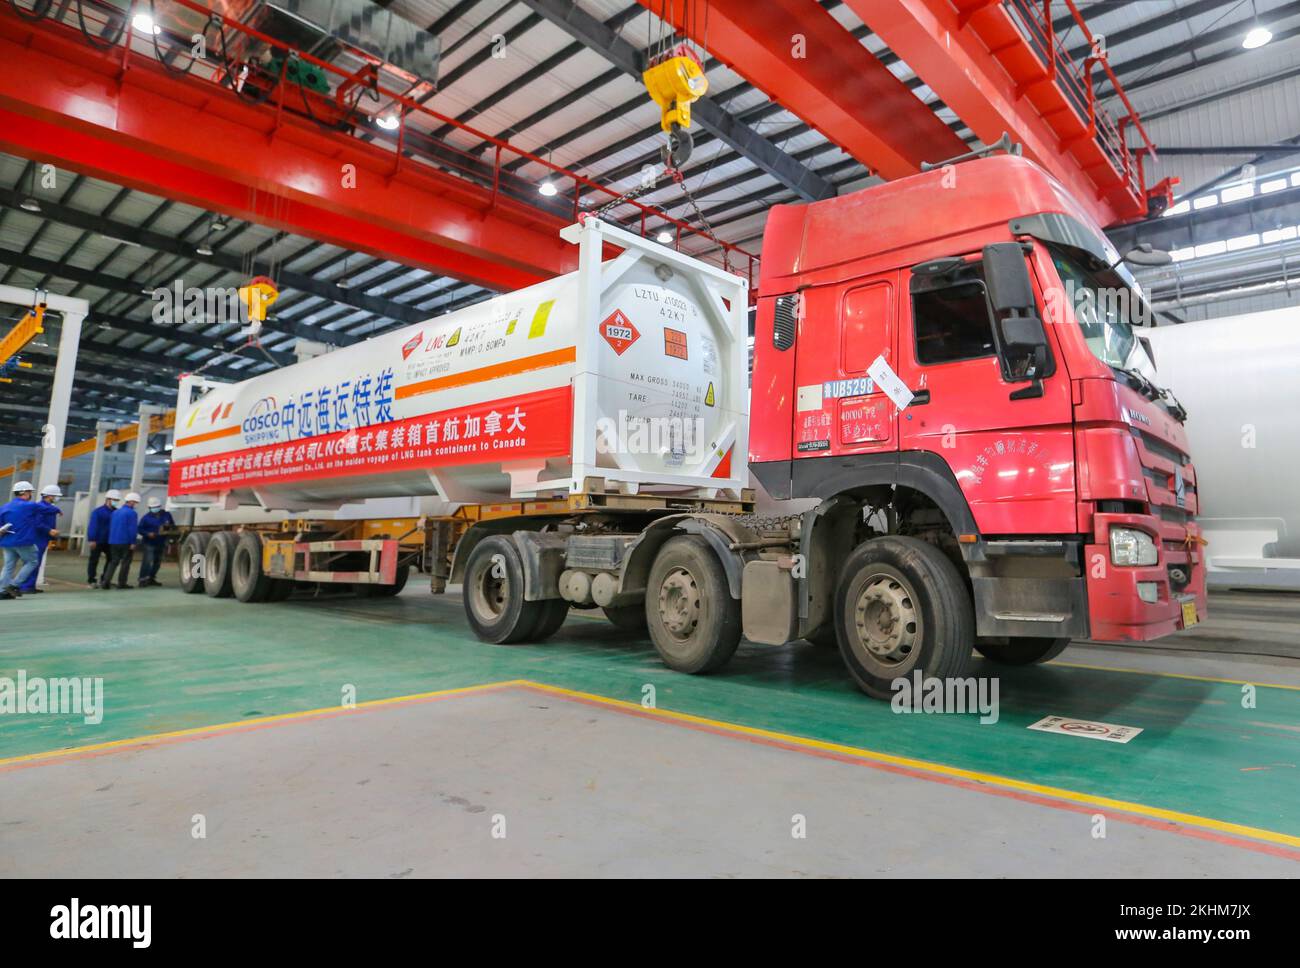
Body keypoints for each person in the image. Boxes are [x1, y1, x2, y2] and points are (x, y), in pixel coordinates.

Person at [19, 484, 63, 594]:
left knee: (36, 562)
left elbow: (50, 509)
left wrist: (57, 510)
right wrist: (49, 530)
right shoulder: (40, 507)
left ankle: (30, 585)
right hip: (38, 538)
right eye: (56, 496)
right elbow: (37, 523)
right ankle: (26, 586)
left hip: (42, 538)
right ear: (49, 496)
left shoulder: (48, 507)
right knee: (33, 562)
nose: (57, 498)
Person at [0, 481, 40, 600]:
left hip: (7, 541)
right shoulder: (29, 506)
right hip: (23, 541)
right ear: (25, 492)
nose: (31, 494)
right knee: (32, 562)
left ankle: (2, 591)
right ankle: (14, 585)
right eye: (30, 492)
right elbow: (45, 508)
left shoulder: (4, 507)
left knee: (8, 566)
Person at [100, 491, 141, 590]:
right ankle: (121, 583)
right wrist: (133, 542)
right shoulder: (132, 513)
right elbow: (132, 529)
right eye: (135, 502)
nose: (136, 505)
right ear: (131, 502)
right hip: (125, 541)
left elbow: (111, 527)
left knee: (113, 562)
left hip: (113, 541)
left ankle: (105, 582)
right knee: (125, 563)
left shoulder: (115, 512)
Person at [136, 496, 175, 587]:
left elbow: (172, 525)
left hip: (161, 542)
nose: (155, 509)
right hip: (149, 543)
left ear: (160, 506)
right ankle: (142, 579)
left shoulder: (167, 515)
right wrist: (148, 533)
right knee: (147, 561)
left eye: (156, 507)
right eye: (153, 507)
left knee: (157, 561)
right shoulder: (146, 518)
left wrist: (169, 528)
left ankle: (151, 578)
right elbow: (140, 529)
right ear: (149, 508)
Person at [86, 489, 122, 588]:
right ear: (108, 499)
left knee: (111, 560)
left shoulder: (117, 512)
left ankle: (105, 579)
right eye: (114, 499)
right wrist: (92, 539)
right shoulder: (98, 512)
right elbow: (93, 525)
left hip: (110, 541)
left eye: (117, 500)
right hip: (98, 540)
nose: (116, 501)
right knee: (94, 560)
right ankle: (91, 580)